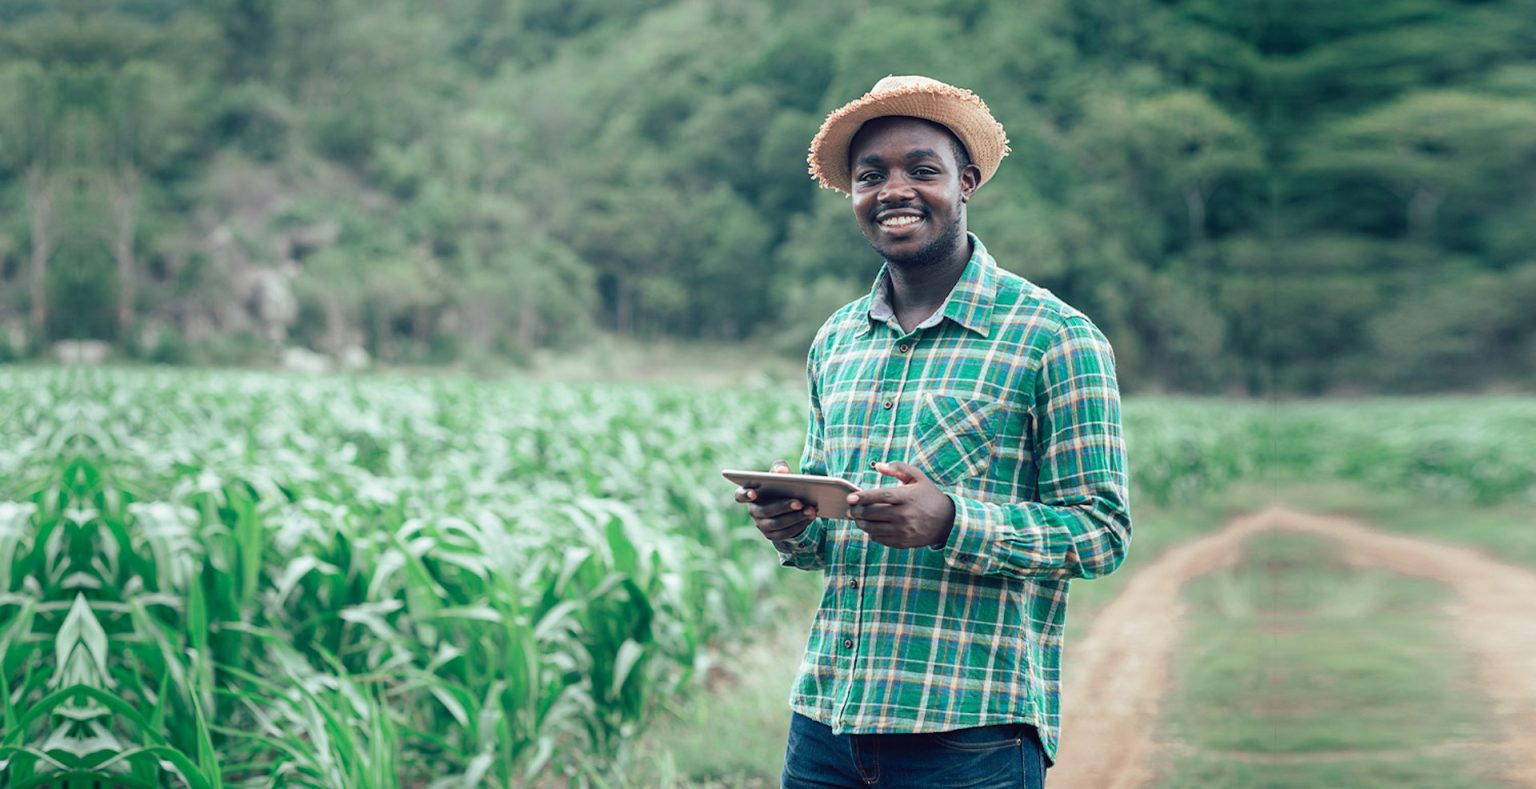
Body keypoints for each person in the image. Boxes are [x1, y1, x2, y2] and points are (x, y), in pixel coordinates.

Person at [734, 75, 1131, 788]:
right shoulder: (837, 340)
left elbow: (1101, 532)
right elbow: (831, 539)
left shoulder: (1055, 337)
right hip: (827, 721)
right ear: (852, 195)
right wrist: (791, 522)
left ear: (966, 183)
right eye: (870, 175)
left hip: (968, 734)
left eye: (922, 169)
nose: (894, 190)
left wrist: (953, 519)